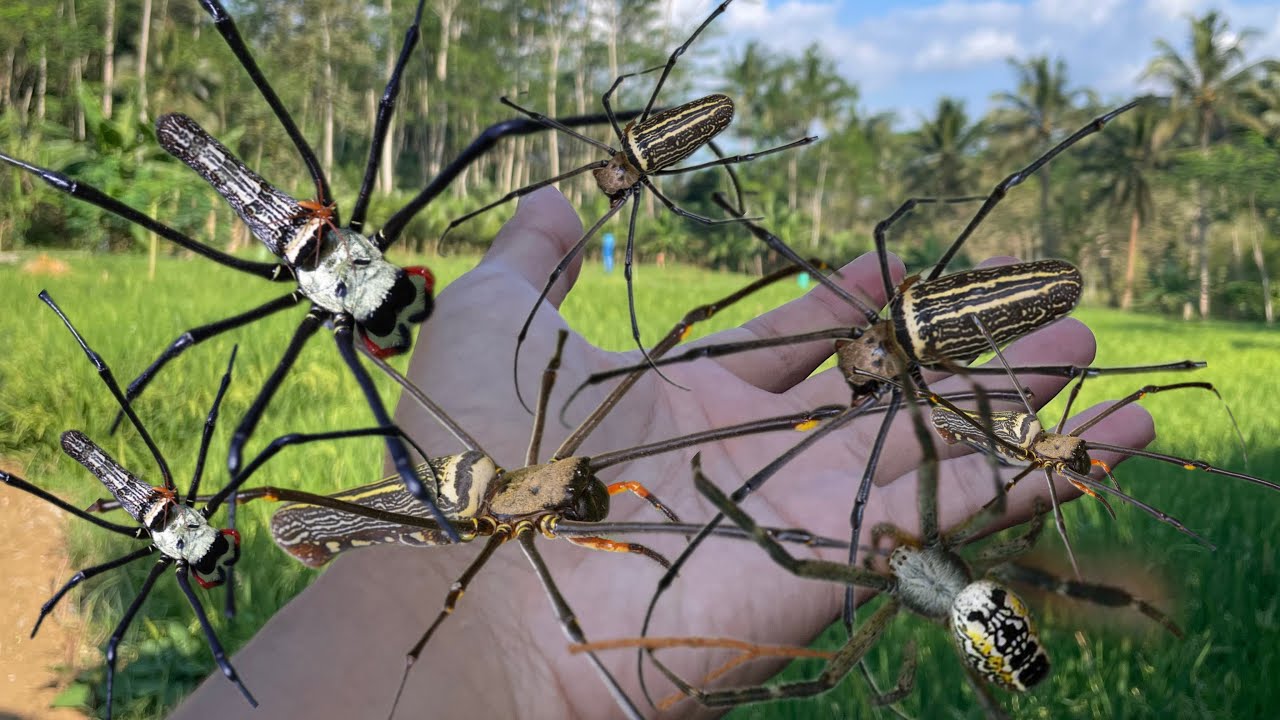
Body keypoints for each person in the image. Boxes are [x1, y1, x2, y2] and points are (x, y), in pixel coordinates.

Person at [171, 187, 1153, 719]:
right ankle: (328, 522)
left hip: (521, 495)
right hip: (485, 501)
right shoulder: (509, 511)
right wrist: (500, 650)